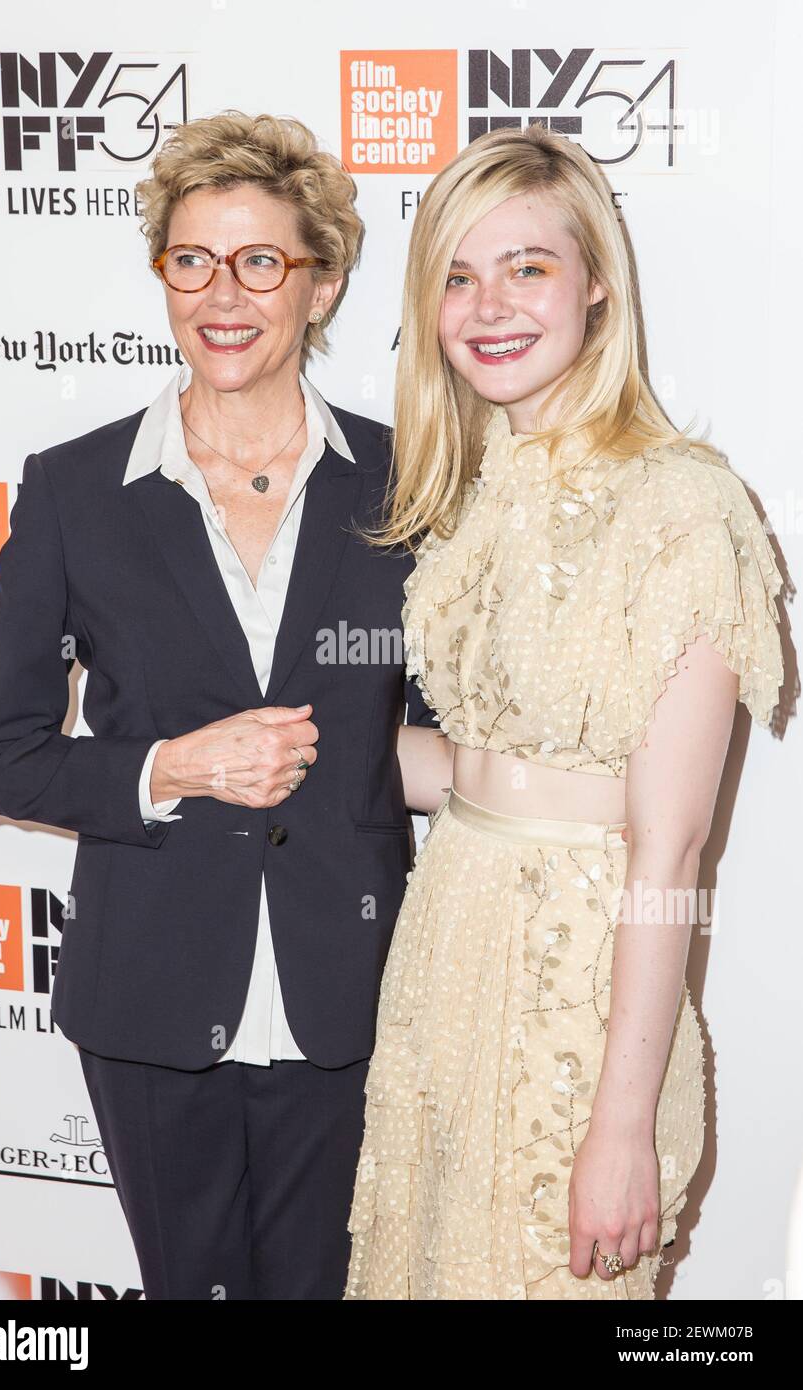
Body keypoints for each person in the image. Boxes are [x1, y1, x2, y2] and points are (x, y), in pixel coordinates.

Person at [0, 110, 447, 1301]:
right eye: (192, 260)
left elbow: (445, 728)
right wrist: (165, 768)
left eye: (260, 261)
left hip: (353, 986)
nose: (223, 294)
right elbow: (1, 756)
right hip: (150, 995)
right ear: (163, 276)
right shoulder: (75, 491)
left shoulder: (409, 482)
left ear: (319, 285)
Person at [344, 125, 785, 1299]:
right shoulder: (470, 489)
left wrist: (621, 1123)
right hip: (445, 955)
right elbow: (480, 769)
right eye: (455, 273)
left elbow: (669, 839)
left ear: (596, 283)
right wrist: (280, 737)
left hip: (581, 997)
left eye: (525, 267)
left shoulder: (683, 506)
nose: (486, 305)